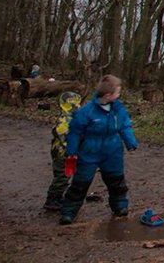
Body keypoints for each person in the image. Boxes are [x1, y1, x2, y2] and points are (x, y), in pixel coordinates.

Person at [58, 74, 138, 225]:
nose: (119, 95)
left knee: (116, 181)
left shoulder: (118, 109)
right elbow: (74, 131)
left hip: (112, 150)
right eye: (118, 93)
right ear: (108, 95)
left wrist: (130, 141)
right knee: (80, 183)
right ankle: (68, 212)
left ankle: (120, 206)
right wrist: (71, 151)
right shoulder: (87, 111)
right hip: (90, 150)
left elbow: (125, 125)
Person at [43, 90, 82, 211]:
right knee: (62, 177)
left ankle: (59, 197)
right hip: (62, 153)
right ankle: (52, 199)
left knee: (67, 175)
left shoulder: (74, 118)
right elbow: (63, 135)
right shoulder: (64, 119)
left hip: (70, 154)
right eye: (75, 104)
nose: (78, 106)